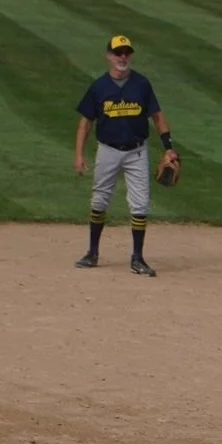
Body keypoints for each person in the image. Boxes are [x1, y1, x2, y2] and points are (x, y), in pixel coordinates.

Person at [73, 34, 180, 276]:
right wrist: (79, 154)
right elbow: (85, 123)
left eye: (126, 53)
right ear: (108, 56)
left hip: (136, 152)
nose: (122, 57)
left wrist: (168, 146)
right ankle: (92, 253)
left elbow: (158, 116)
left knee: (140, 204)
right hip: (108, 151)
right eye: (118, 53)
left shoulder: (141, 84)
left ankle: (137, 258)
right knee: (99, 201)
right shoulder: (98, 87)